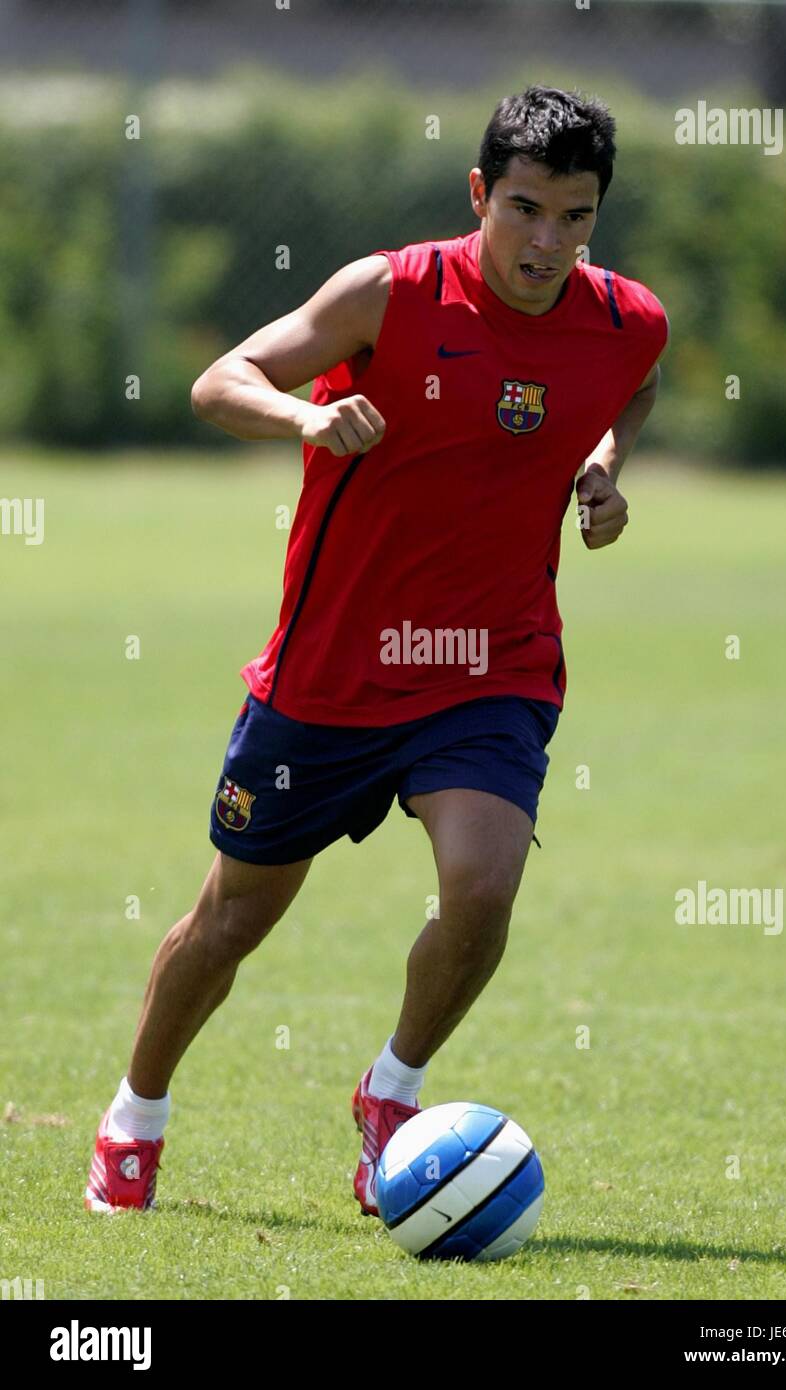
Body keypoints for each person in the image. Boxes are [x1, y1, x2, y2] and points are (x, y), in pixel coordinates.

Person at [85, 85, 668, 1219]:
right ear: (477, 195)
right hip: (330, 675)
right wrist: (307, 418)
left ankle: (391, 1096)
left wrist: (604, 467)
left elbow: (630, 386)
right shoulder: (390, 291)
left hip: (490, 664)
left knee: (484, 886)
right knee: (231, 921)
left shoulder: (627, 318)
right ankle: (134, 1113)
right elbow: (220, 381)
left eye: (576, 216)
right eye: (524, 209)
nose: (547, 241)